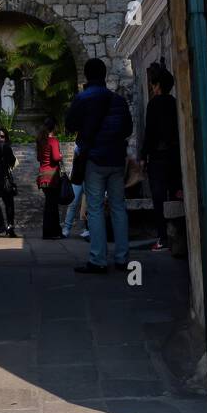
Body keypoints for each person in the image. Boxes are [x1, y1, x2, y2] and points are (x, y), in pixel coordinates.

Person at [66, 58, 133, 275]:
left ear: (86, 75)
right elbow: (128, 128)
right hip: (116, 158)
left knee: (94, 208)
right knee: (118, 206)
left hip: (94, 158)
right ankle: (123, 258)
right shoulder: (118, 100)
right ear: (104, 75)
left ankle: (98, 259)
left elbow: (69, 125)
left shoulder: (83, 98)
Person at [140, 60, 182, 253]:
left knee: (158, 198)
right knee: (176, 193)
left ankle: (163, 238)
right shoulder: (174, 103)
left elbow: (149, 133)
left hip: (157, 157)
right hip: (174, 156)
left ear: (157, 86)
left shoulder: (153, 105)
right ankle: (180, 234)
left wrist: (143, 156)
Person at [36, 116, 64, 239]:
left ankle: (53, 231)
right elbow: (56, 158)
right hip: (52, 175)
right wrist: (61, 155)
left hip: (43, 175)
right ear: (54, 127)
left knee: (49, 204)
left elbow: (38, 158)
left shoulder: (40, 140)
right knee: (52, 206)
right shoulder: (53, 141)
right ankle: (51, 232)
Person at [0, 127, 18, 237]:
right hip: (3, 178)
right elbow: (13, 162)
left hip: (0, 179)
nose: (0, 138)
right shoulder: (6, 147)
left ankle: (7, 226)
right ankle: (6, 226)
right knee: (6, 204)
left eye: (3, 136)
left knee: (7, 204)